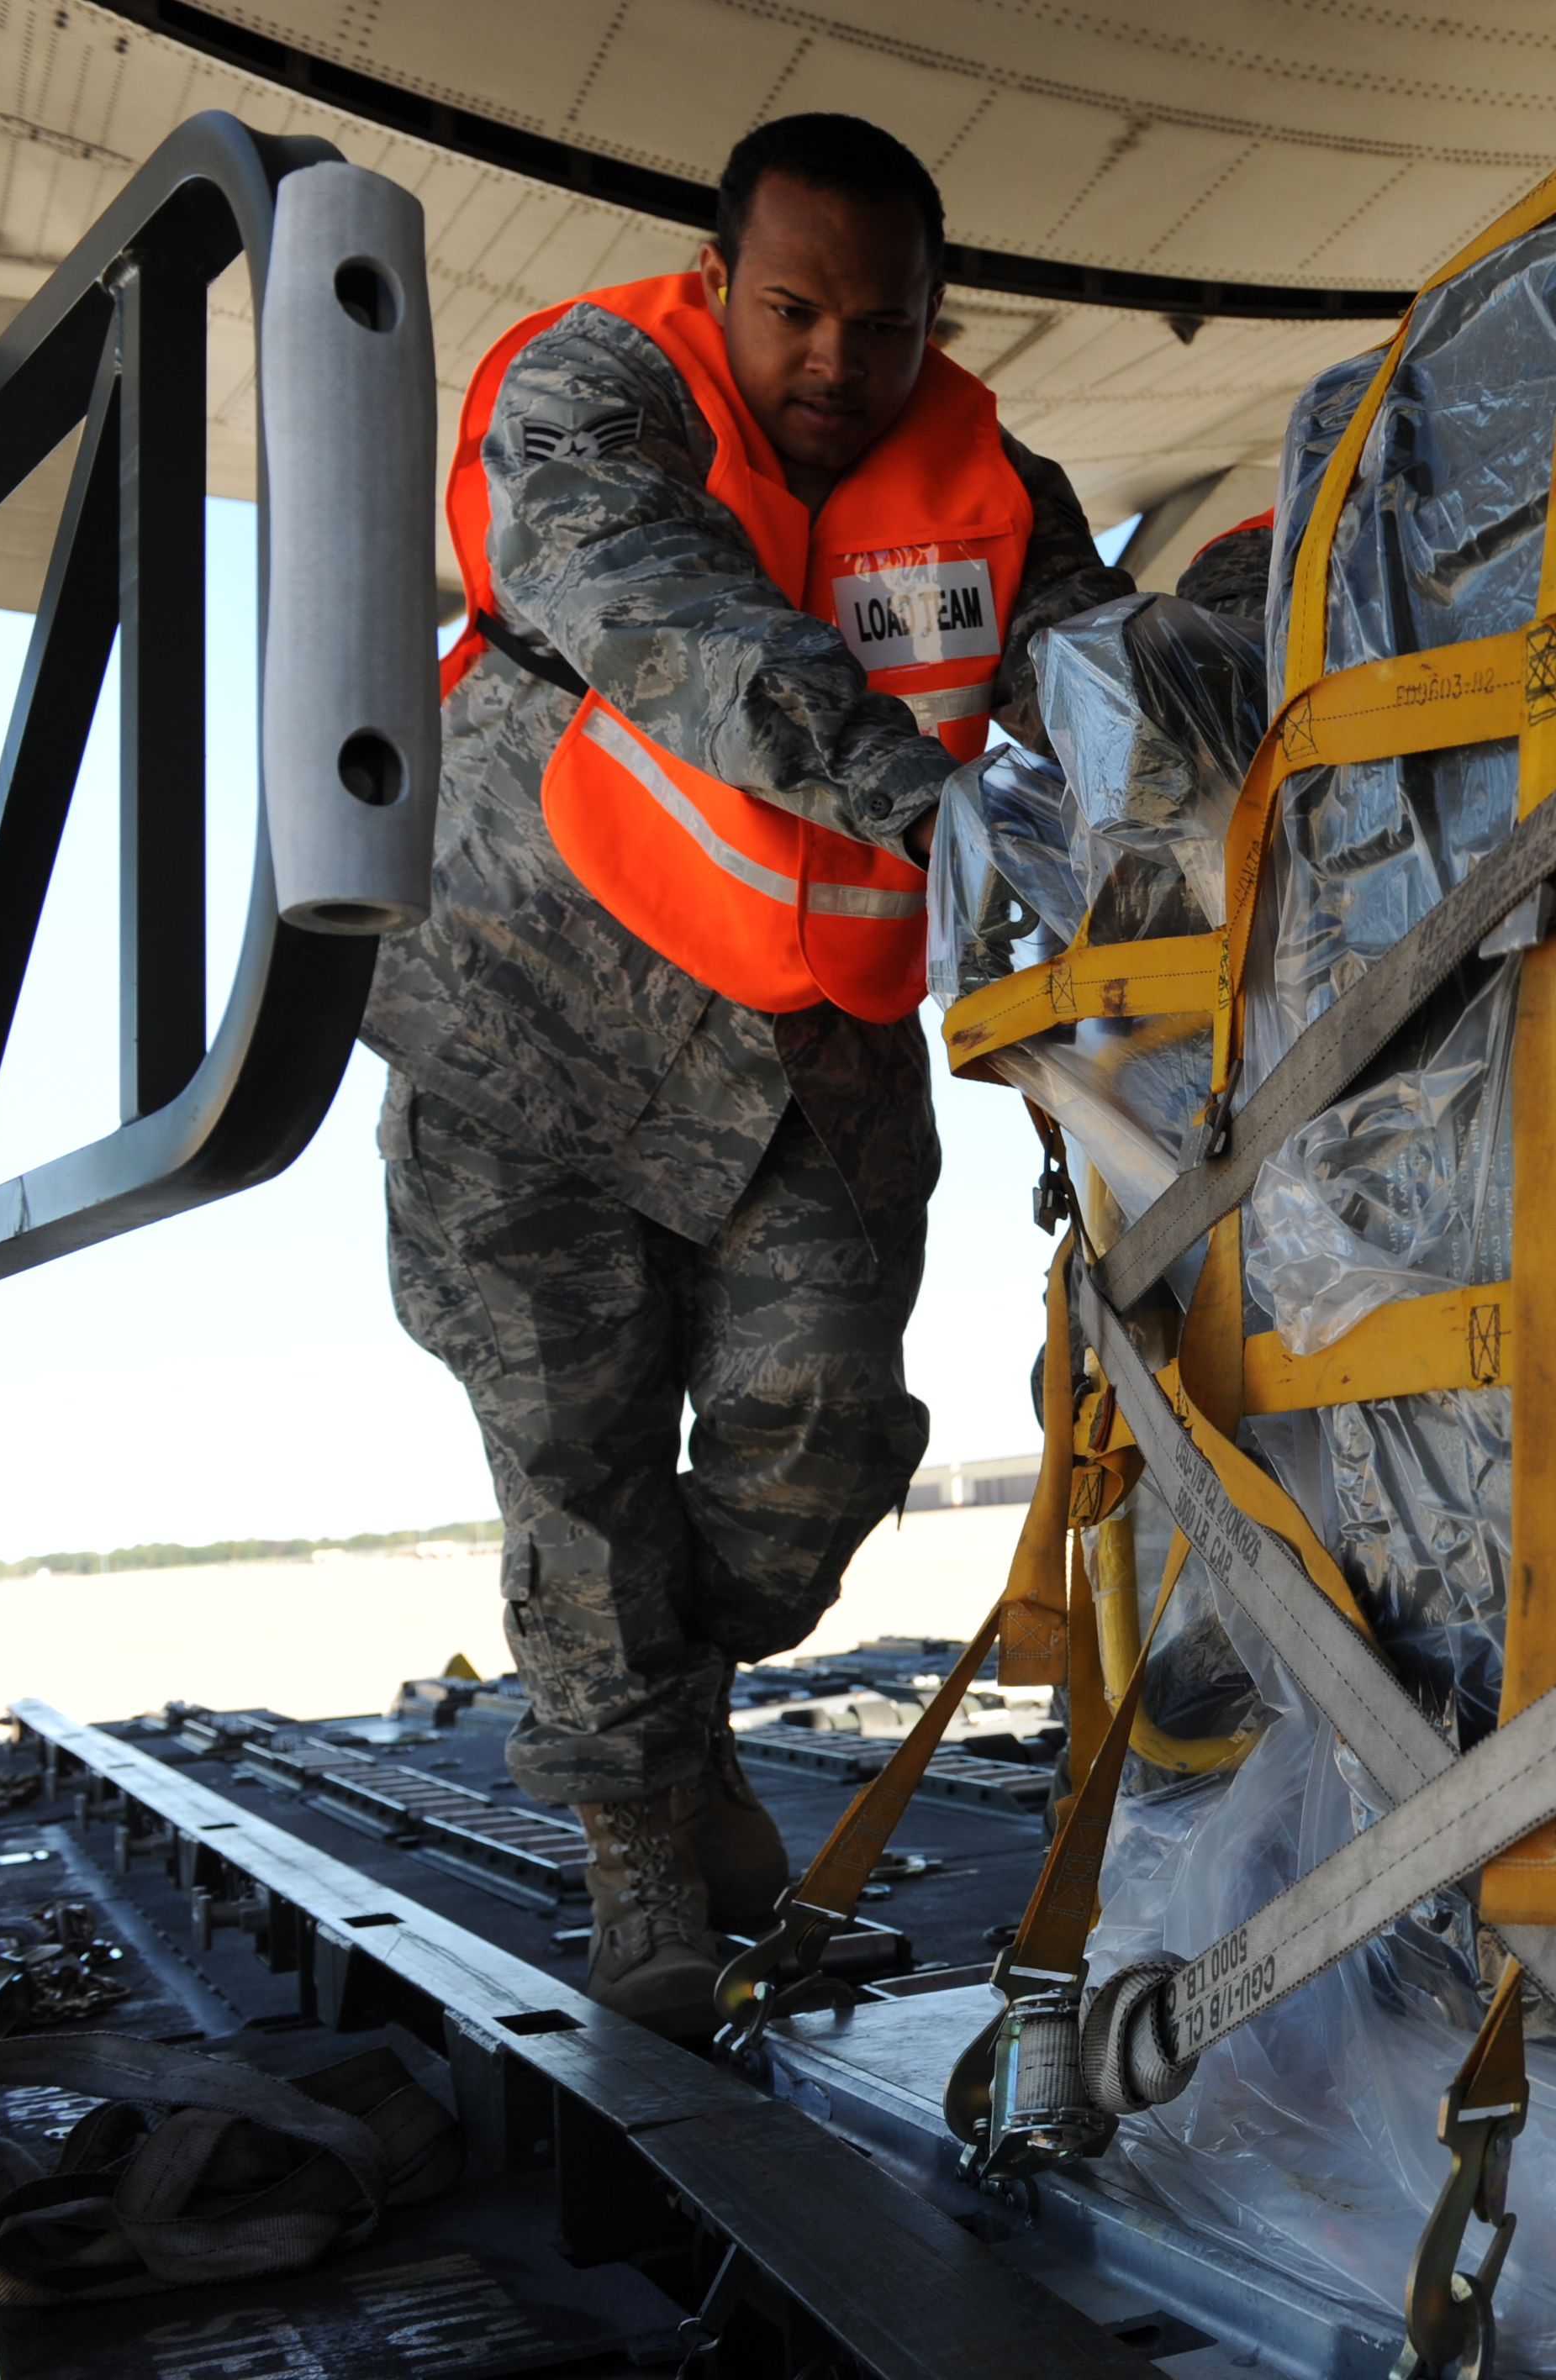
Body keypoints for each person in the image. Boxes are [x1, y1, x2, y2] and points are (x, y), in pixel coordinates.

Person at [363, 113, 1134, 2031]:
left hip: (811, 1065)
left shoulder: (993, 491)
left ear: (935, 322)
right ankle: (645, 1858)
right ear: (722, 284)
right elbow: (657, 613)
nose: (832, 362)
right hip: (521, 1026)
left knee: (813, 1459)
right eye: (792, 309)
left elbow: (1111, 697)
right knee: (577, 1458)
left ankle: (677, 1709)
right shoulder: (595, 387)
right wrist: (924, 799)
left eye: (882, 326)